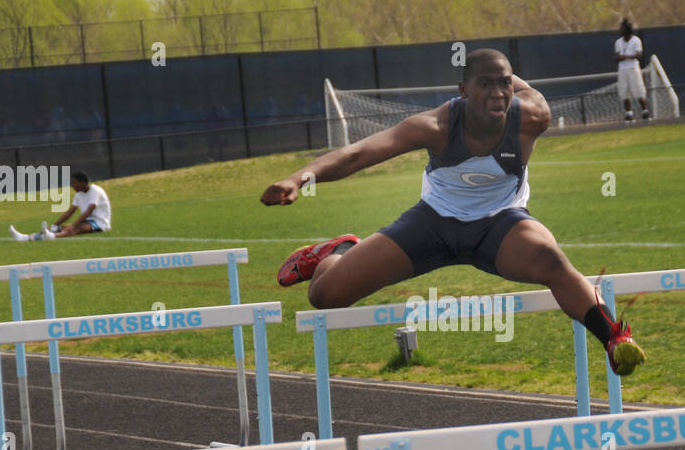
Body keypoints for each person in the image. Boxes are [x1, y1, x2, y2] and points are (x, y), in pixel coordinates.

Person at [260, 49, 646, 376]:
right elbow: (358, 155)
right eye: (485, 84)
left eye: (504, 84)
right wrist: (299, 178)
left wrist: (500, 72)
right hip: (433, 225)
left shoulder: (532, 116)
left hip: (500, 225)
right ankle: (337, 252)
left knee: (550, 258)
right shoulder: (435, 126)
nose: (497, 94)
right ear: (462, 90)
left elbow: (515, 88)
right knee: (324, 296)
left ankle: (614, 337)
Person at [10, 171, 111, 240]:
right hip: (88, 222)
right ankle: (26, 238)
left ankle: (53, 236)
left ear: (83, 183)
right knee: (60, 228)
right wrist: (55, 225)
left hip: (100, 223)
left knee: (74, 229)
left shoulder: (95, 191)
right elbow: (70, 212)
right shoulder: (79, 194)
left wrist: (73, 224)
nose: (72, 185)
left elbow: (89, 211)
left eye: (74, 183)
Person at [614, 19, 650, 122]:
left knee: (638, 90)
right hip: (622, 69)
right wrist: (624, 57)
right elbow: (617, 57)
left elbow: (638, 55)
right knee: (624, 91)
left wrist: (625, 56)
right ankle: (629, 113)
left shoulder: (636, 40)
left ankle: (645, 111)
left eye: (622, 28)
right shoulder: (618, 42)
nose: (620, 30)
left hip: (633, 68)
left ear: (627, 29)